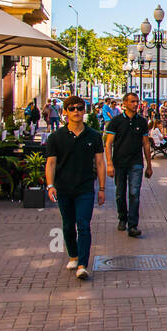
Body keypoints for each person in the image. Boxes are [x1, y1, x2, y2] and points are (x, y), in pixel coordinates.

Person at [44, 95, 105, 280]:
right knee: (68, 226)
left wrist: (102, 188)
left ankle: (82, 264)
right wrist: (50, 185)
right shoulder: (56, 137)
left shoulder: (93, 135)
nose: (76, 111)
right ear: (65, 112)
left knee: (84, 225)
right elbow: (51, 163)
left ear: (84, 111)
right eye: (72, 108)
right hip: (63, 188)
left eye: (80, 108)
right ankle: (73, 255)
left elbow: (100, 163)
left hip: (85, 187)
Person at [103, 91, 152, 237]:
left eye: (136, 101)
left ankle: (132, 225)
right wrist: (109, 163)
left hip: (136, 162)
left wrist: (149, 165)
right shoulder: (116, 121)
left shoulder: (142, 122)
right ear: (124, 104)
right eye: (132, 101)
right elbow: (108, 143)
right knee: (120, 193)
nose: (135, 104)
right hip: (119, 162)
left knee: (134, 193)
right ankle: (122, 217)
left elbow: (146, 144)